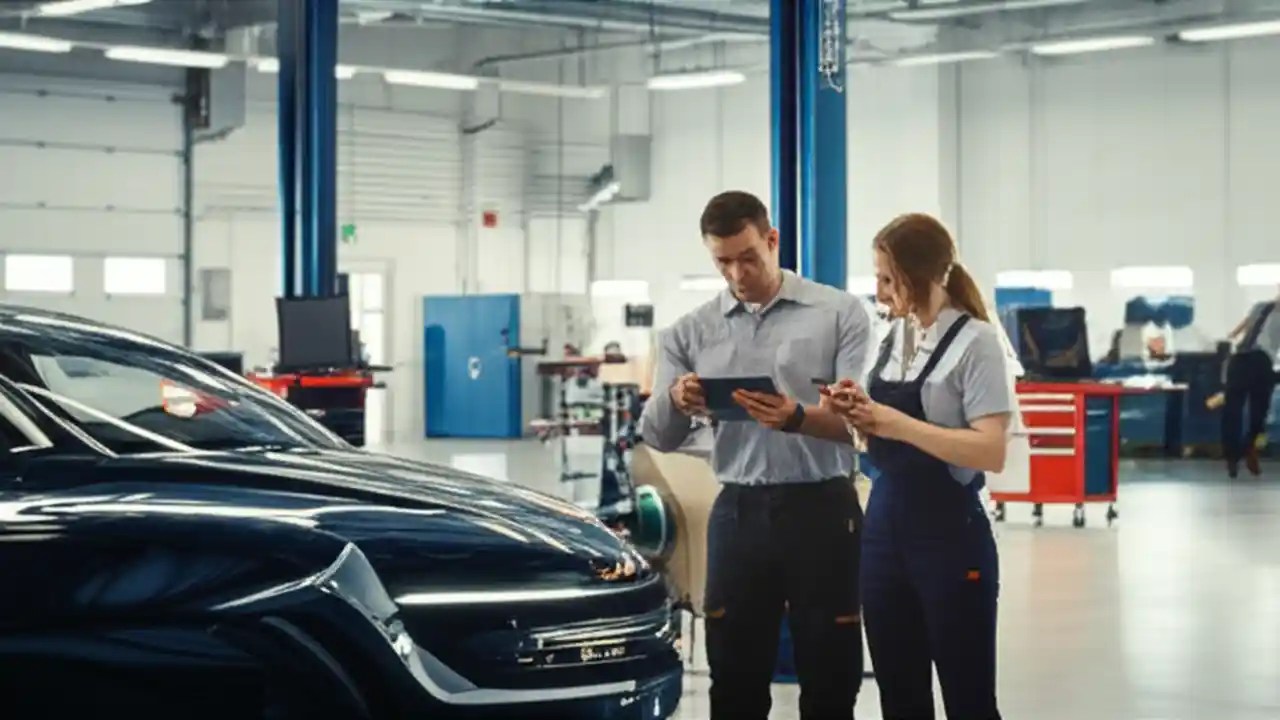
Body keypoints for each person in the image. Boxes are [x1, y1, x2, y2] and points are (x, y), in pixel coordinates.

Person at [640, 190, 873, 720]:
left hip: (824, 510)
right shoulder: (689, 332)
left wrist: (797, 417)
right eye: (723, 262)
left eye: (749, 256)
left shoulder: (839, 314)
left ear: (773, 241)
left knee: (832, 676)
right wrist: (677, 401)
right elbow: (657, 434)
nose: (738, 273)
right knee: (735, 677)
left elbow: (864, 425)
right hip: (739, 514)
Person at [824, 213, 1011, 720]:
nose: (880, 292)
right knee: (900, 697)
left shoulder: (976, 342)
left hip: (949, 537)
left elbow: (990, 450)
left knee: (968, 699)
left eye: (888, 278)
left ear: (917, 274)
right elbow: (878, 433)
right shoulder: (892, 341)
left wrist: (894, 421)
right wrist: (857, 412)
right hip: (884, 533)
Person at [1221, 288, 1279, 477]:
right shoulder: (1260, 307)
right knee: (1232, 409)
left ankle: (1249, 446)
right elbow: (1242, 328)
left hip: (1262, 361)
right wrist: (1229, 338)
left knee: (1259, 412)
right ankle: (1232, 457)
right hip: (1241, 357)